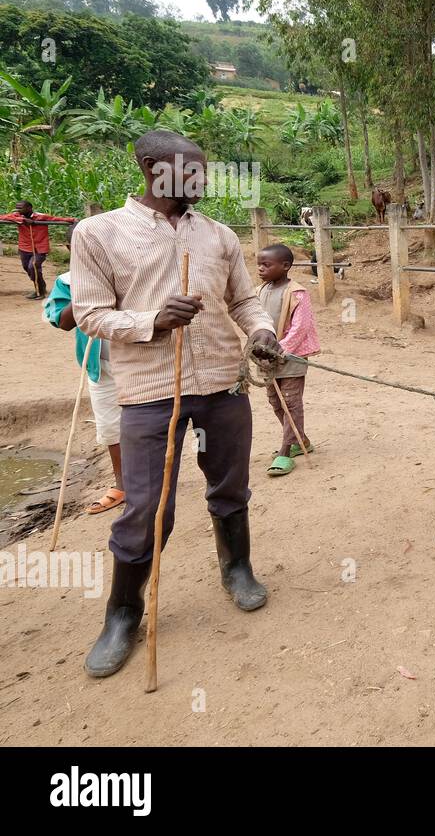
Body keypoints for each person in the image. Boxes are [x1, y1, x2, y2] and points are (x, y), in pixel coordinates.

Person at [71, 130, 282, 679]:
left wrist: (261, 332)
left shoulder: (219, 236)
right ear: (149, 167)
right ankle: (122, 612)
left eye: (204, 171)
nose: (203, 180)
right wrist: (151, 321)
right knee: (146, 507)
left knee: (231, 487)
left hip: (222, 386)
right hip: (148, 393)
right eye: (191, 171)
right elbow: (90, 314)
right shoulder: (98, 233)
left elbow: (244, 300)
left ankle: (236, 569)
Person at [44, 273, 125, 515]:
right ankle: (123, 485)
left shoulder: (127, 263)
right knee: (111, 426)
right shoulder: (67, 282)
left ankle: (155, 480)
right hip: (99, 365)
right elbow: (62, 321)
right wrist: (85, 289)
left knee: (151, 420)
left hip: (140, 361)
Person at [255, 244, 322, 477]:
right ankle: (300, 440)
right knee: (275, 401)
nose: (261, 269)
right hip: (266, 358)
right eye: (259, 265)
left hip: (291, 357)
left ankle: (285, 450)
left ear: (285, 266)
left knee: (290, 402)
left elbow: (300, 328)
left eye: (266, 265)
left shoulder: (297, 293)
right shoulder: (259, 291)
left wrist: (280, 350)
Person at [1, 201, 78, 299]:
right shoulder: (17, 215)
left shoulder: (41, 217)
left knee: (33, 266)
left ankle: (40, 292)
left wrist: (73, 220)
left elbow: (57, 219)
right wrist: (21, 219)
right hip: (24, 247)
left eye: (21, 208)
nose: (18, 210)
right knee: (27, 268)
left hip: (40, 248)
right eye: (17, 208)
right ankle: (40, 285)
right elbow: (4, 217)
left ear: (29, 208)